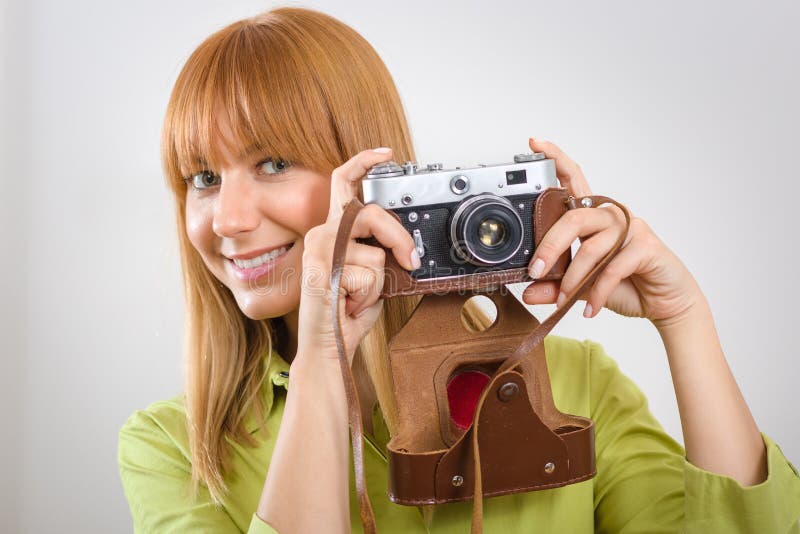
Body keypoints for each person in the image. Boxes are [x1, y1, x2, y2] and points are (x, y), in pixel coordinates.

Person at [117, 6, 800, 533]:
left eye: (272, 164)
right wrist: (323, 360)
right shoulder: (171, 447)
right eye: (202, 177)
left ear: (376, 179)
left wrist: (686, 321)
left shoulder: (571, 387)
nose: (228, 219)